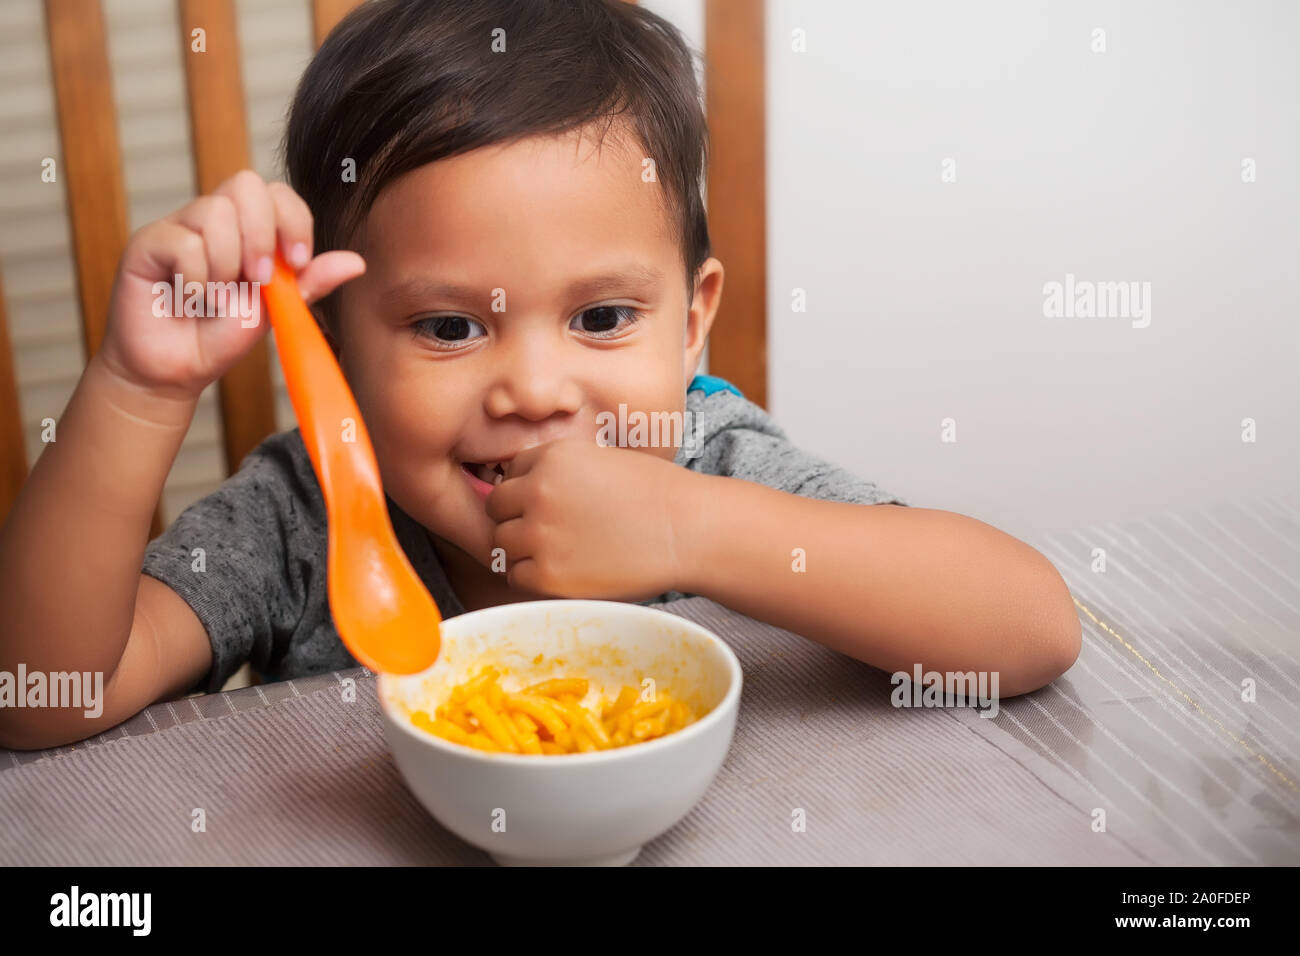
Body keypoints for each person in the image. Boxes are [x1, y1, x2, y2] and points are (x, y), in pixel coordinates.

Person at [0, 0, 1079, 750]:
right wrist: (138, 389)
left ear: (691, 322)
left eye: (603, 317)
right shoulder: (308, 513)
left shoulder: (709, 461)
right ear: (331, 343)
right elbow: (39, 697)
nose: (534, 389)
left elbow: (1027, 628)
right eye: (450, 326)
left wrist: (693, 529)